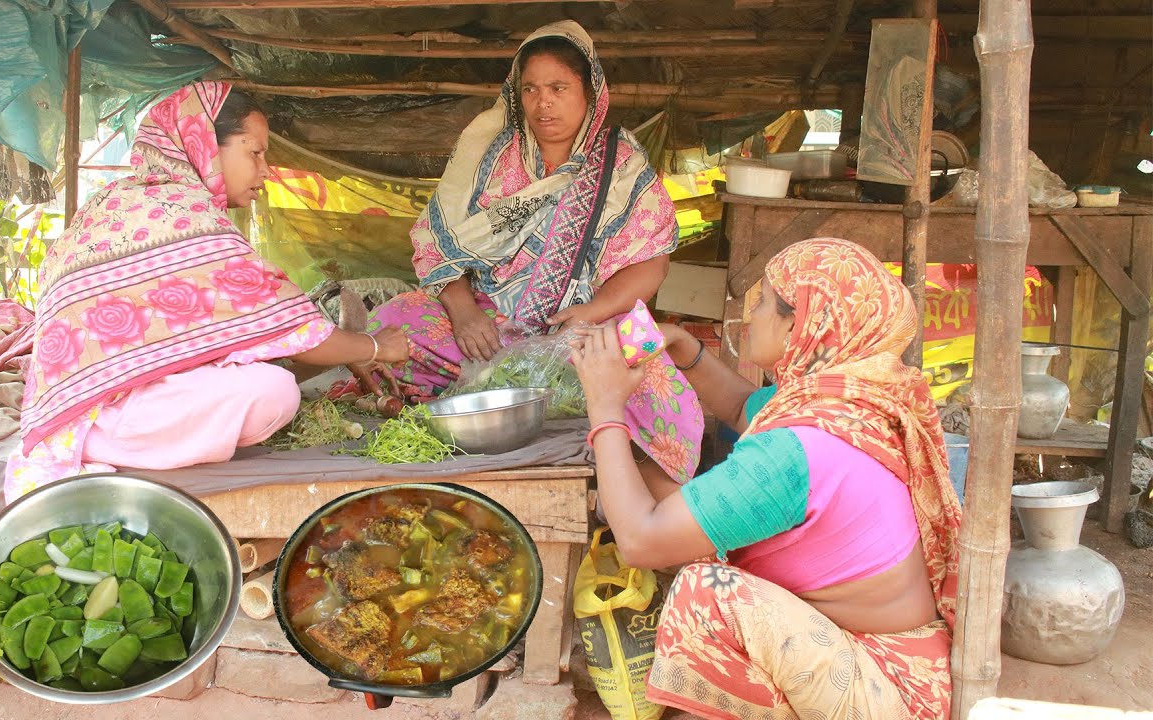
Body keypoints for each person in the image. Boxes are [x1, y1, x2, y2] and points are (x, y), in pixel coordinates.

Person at [571, 238, 961, 719]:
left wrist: (605, 406)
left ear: (800, 325)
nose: (748, 315)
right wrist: (682, 345)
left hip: (882, 684)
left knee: (707, 592)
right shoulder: (848, 401)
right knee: (668, 497)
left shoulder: (794, 452)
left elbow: (639, 541)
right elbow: (741, 408)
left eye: (761, 303)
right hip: (911, 658)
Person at [5, 82, 407, 503]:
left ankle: (110, 439)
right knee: (274, 392)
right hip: (107, 418)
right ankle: (105, 448)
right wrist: (375, 347)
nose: (266, 171)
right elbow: (298, 337)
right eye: (255, 152)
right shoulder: (187, 216)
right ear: (204, 145)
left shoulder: (116, 201)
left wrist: (351, 351)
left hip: (80, 407)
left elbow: (240, 332)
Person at [362, 20, 701, 481]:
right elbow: (439, 244)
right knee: (392, 322)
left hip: (579, 328)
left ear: (591, 92)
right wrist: (464, 314)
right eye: (531, 89)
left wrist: (592, 311)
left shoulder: (620, 162)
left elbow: (651, 262)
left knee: (644, 356)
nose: (544, 103)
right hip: (486, 328)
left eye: (559, 88)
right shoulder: (489, 155)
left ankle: (652, 480)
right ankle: (466, 400)